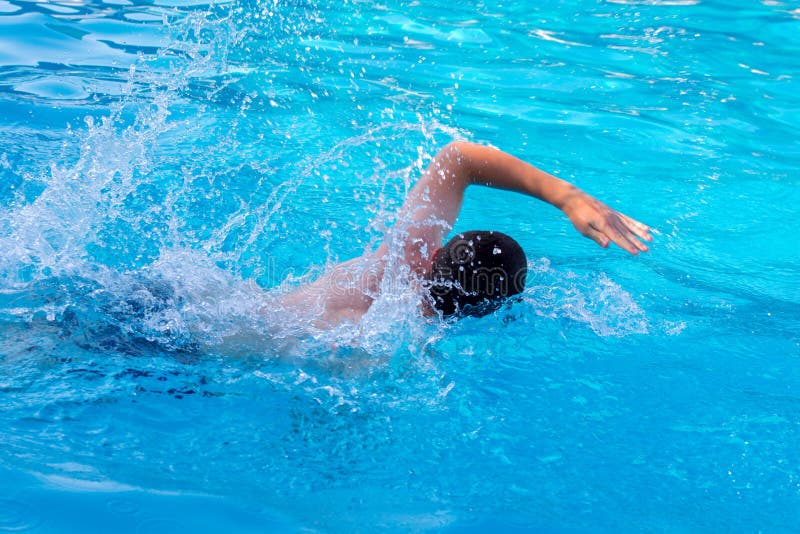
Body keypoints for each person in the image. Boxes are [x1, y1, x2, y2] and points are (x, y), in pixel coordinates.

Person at [278, 141, 652, 327]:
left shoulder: (399, 260)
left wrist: (569, 199)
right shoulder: (380, 343)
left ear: (432, 255)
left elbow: (458, 158)